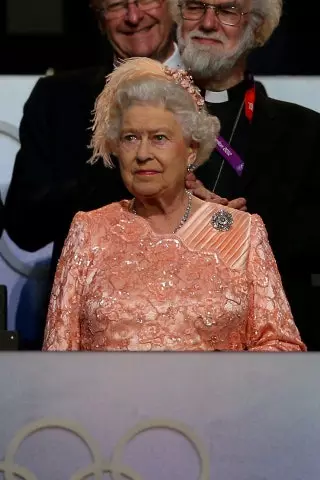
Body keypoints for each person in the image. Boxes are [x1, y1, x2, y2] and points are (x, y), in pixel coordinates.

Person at [42, 58, 305, 352]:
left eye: (159, 138)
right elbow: (59, 349)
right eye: (130, 138)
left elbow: (281, 345)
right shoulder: (89, 230)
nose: (142, 153)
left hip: (217, 397)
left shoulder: (242, 232)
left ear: (192, 149)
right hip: (110, 398)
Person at [3, 0, 183, 349]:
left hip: (202, 334)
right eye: (116, 5)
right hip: (87, 333)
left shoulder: (217, 90)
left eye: (145, 0)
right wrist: (111, 180)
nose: (133, 17)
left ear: (173, 7)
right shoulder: (57, 99)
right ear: (99, 19)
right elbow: (24, 226)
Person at [170, 0, 320, 350]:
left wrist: (240, 234)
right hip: (165, 333)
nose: (207, 23)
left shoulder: (305, 131)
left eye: (227, 11)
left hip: (268, 339)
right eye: (195, 7)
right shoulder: (142, 122)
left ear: (257, 27)